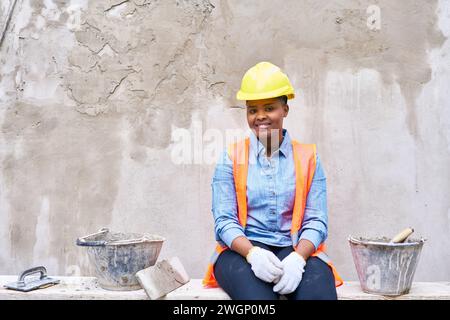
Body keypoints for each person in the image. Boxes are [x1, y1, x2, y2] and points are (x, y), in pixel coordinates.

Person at [203, 62, 343, 300]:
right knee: (258, 301)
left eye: (269, 108)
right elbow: (224, 221)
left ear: (285, 109)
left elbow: (317, 220)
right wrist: (252, 254)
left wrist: (299, 258)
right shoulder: (231, 158)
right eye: (252, 110)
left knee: (318, 294)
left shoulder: (308, 158)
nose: (260, 117)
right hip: (241, 252)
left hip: (294, 248)